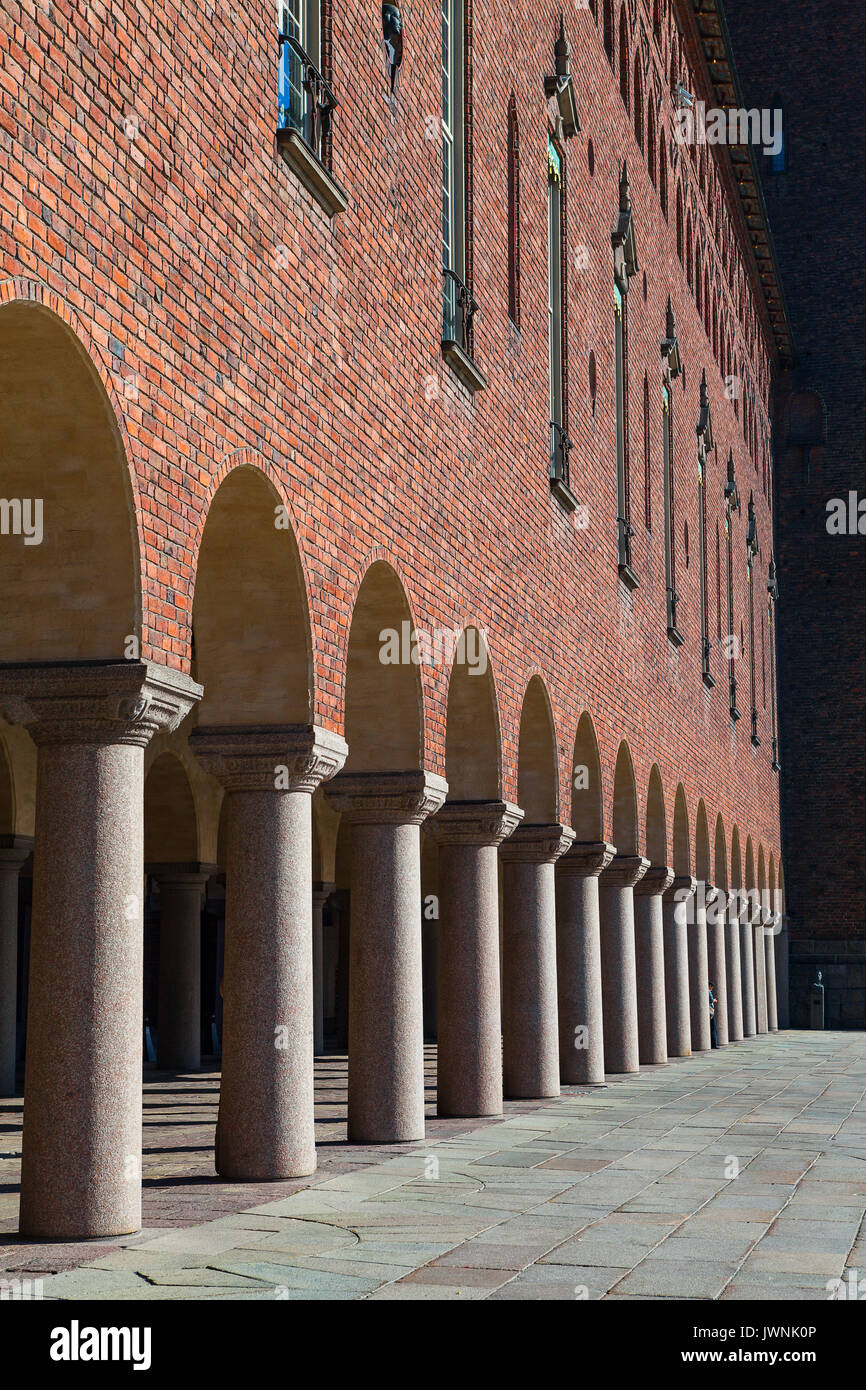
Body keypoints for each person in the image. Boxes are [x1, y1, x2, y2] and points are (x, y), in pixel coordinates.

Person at [708, 981, 718, 1048]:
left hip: (709, 1011)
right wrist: (715, 1000)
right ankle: (714, 1044)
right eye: (712, 988)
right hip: (710, 1011)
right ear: (710, 986)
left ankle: (713, 1044)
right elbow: (711, 1000)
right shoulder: (708, 991)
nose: (712, 989)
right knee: (713, 1028)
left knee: (712, 1028)